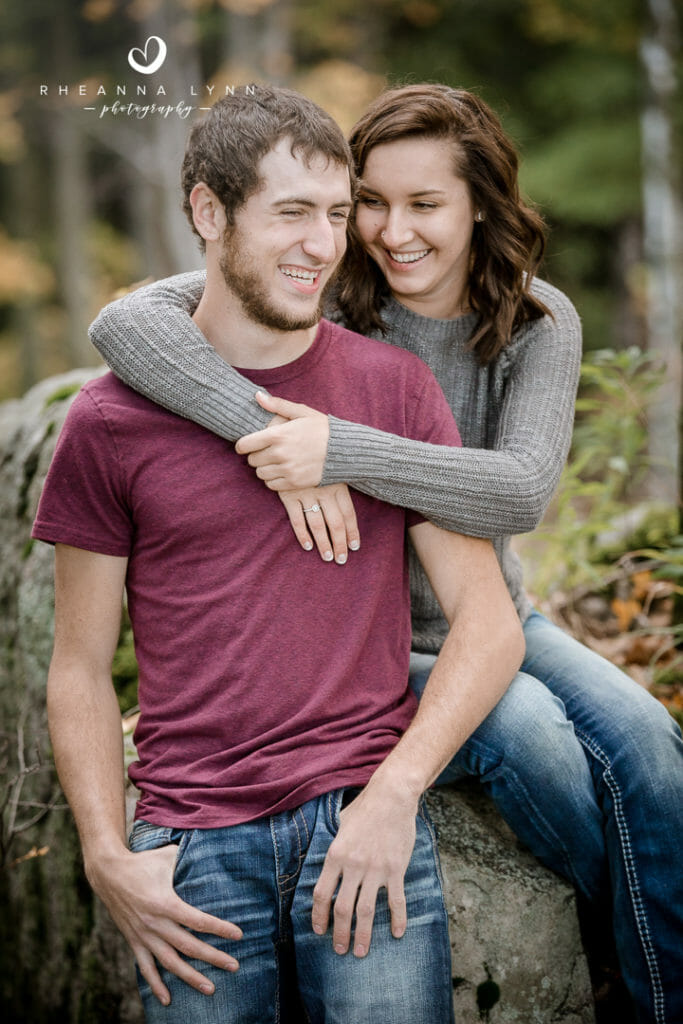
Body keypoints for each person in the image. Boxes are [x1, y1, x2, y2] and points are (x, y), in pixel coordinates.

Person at [88, 83, 683, 1024]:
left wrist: (341, 449)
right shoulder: (329, 296)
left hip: (492, 613)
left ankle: (657, 984)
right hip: (366, 638)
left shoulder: (535, 321)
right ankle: (626, 934)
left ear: (479, 206)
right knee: (530, 735)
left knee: (648, 741)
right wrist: (270, 440)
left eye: (424, 205)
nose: (388, 231)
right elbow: (123, 323)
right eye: (369, 201)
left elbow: (521, 489)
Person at [34, 86, 525, 1024]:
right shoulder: (106, 422)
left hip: (361, 820)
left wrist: (393, 798)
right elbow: (79, 666)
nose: (324, 244)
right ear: (208, 212)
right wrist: (107, 852)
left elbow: (489, 625)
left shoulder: (390, 386)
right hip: (189, 850)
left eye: (337, 214)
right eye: (292, 213)